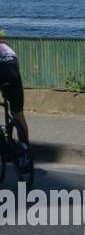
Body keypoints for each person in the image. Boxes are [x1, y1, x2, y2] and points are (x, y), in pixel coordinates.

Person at [0, 39, 34, 174]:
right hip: (13, 70)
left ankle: (4, 145)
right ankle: (26, 150)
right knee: (18, 113)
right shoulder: (6, 46)